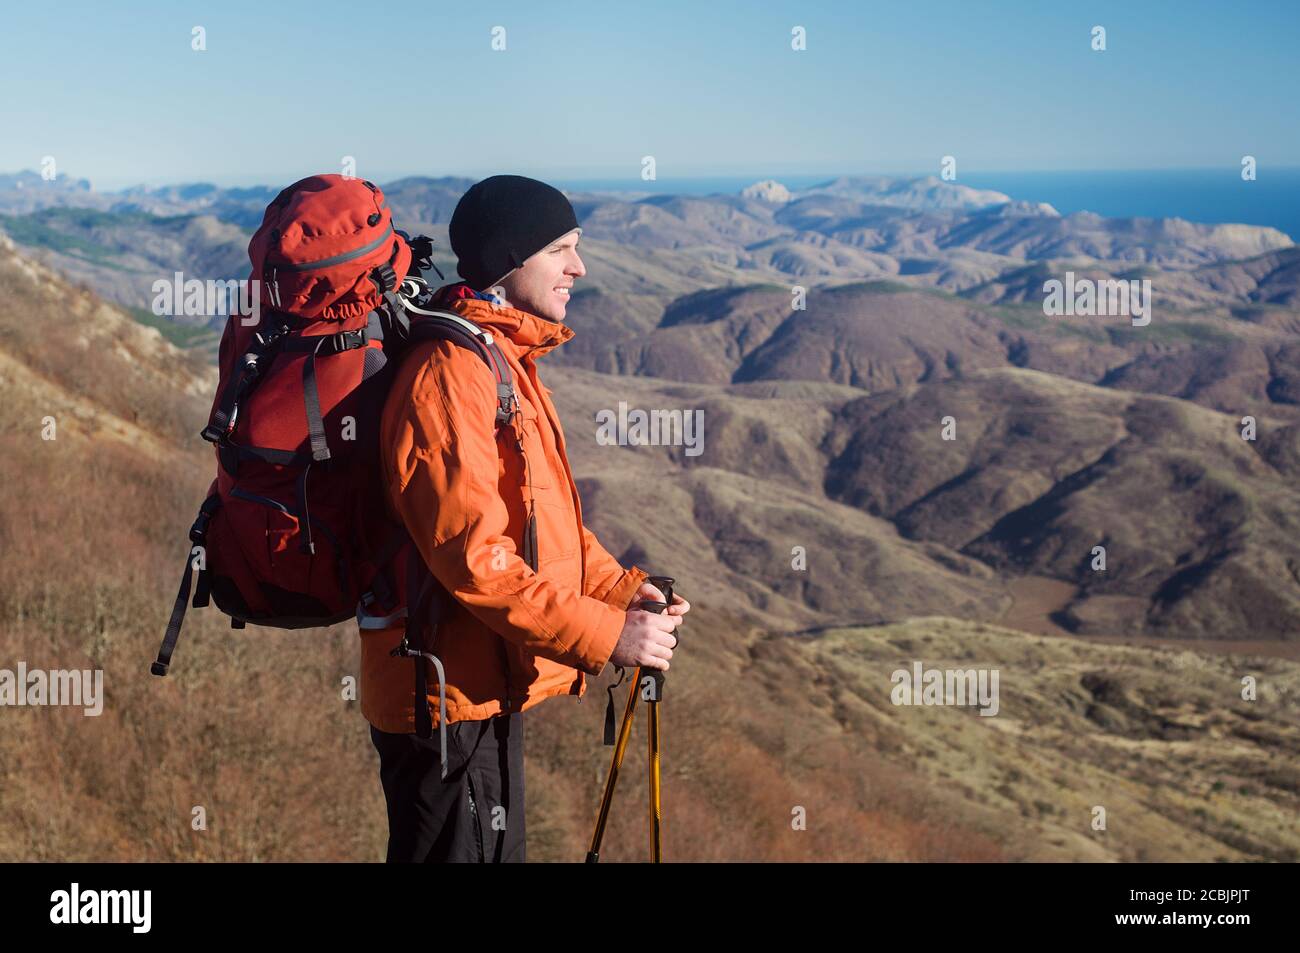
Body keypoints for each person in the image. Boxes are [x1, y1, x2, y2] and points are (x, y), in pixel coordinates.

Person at [361, 175, 690, 862]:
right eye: (562, 250)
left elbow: (541, 528)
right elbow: (475, 558)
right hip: (446, 704)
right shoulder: (452, 373)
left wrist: (620, 592)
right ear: (511, 259)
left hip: (482, 689)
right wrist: (607, 635)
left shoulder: (498, 356)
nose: (579, 267)